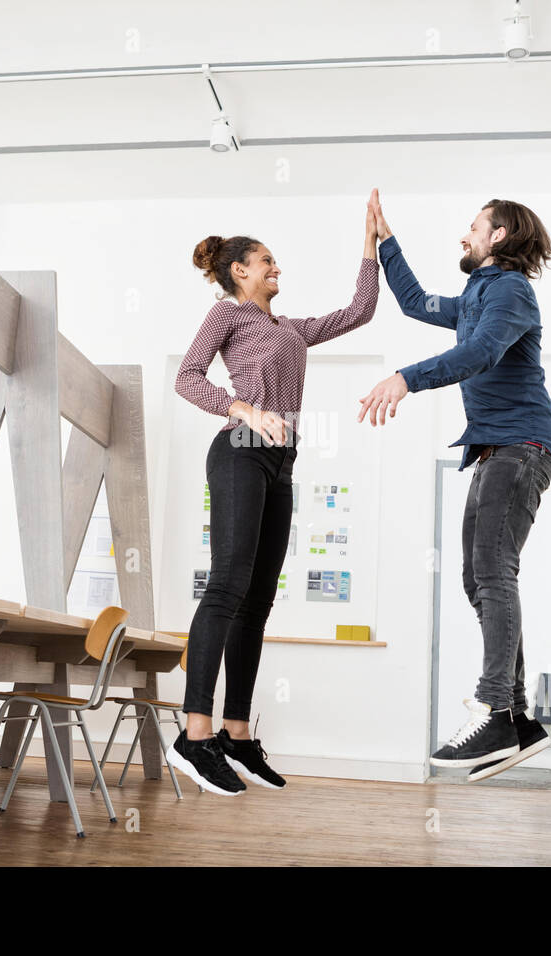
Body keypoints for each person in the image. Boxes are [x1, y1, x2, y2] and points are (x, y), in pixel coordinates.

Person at [168, 194, 380, 796]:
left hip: (280, 465)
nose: (276, 269)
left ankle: (236, 734)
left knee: (258, 600)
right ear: (240, 271)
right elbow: (186, 377)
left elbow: (360, 310)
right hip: (237, 448)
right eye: (267, 261)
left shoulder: (290, 329)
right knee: (227, 586)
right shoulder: (226, 316)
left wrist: (371, 244)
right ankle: (195, 733)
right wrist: (242, 409)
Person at [358, 190, 551, 782]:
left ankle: (498, 710)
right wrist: (386, 242)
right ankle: (518, 721)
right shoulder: (477, 294)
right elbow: (418, 303)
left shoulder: (511, 292)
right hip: (496, 451)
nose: (464, 236)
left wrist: (406, 378)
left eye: (473, 227)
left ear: (499, 237)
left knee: (494, 572)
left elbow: (478, 353)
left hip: (521, 448)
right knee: (479, 577)